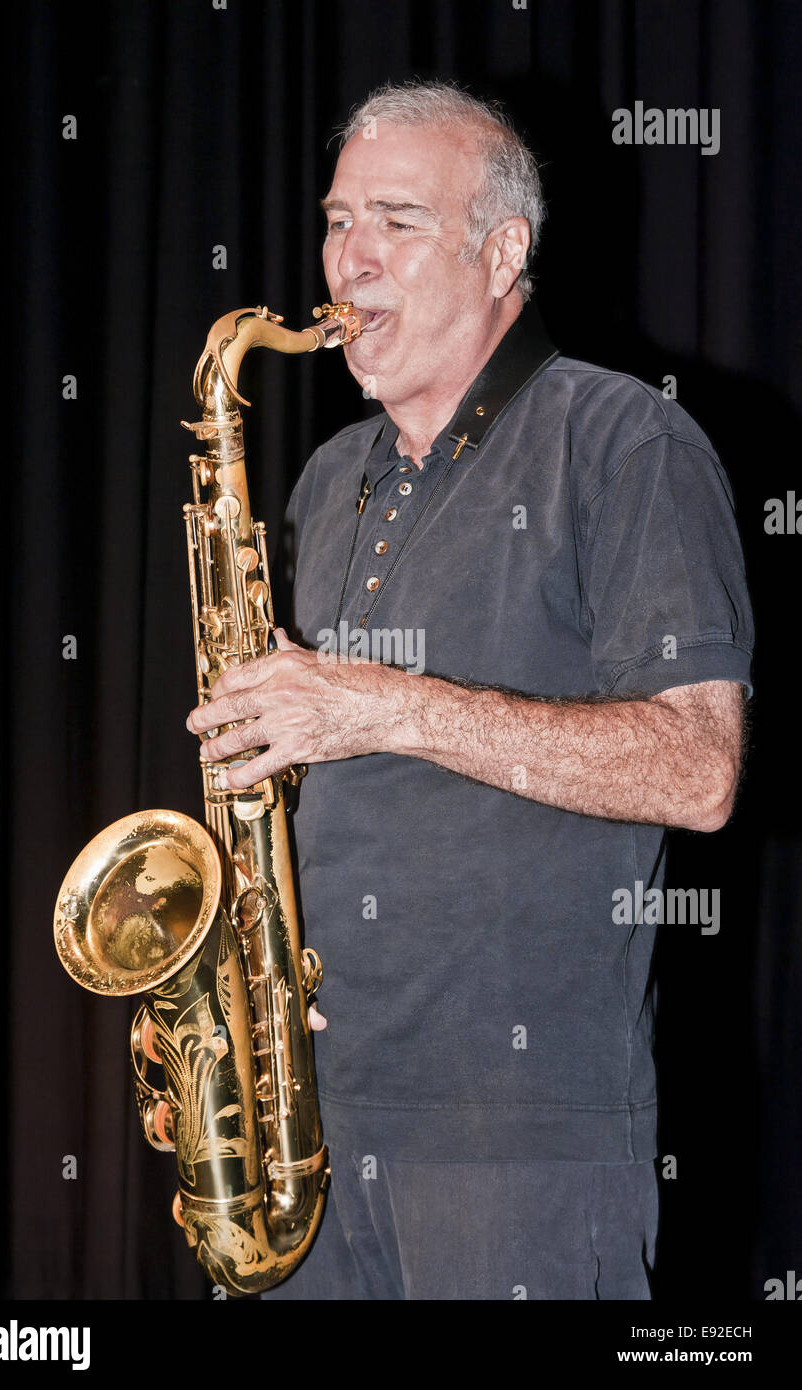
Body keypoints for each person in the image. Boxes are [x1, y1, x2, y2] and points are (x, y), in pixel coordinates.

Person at [186, 80, 753, 1300]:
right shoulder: (330, 473)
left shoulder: (623, 442)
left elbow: (697, 770)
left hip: (518, 1146)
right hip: (314, 1127)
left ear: (503, 252)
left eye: (395, 221)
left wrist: (382, 704)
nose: (349, 259)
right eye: (337, 221)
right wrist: (255, 963)